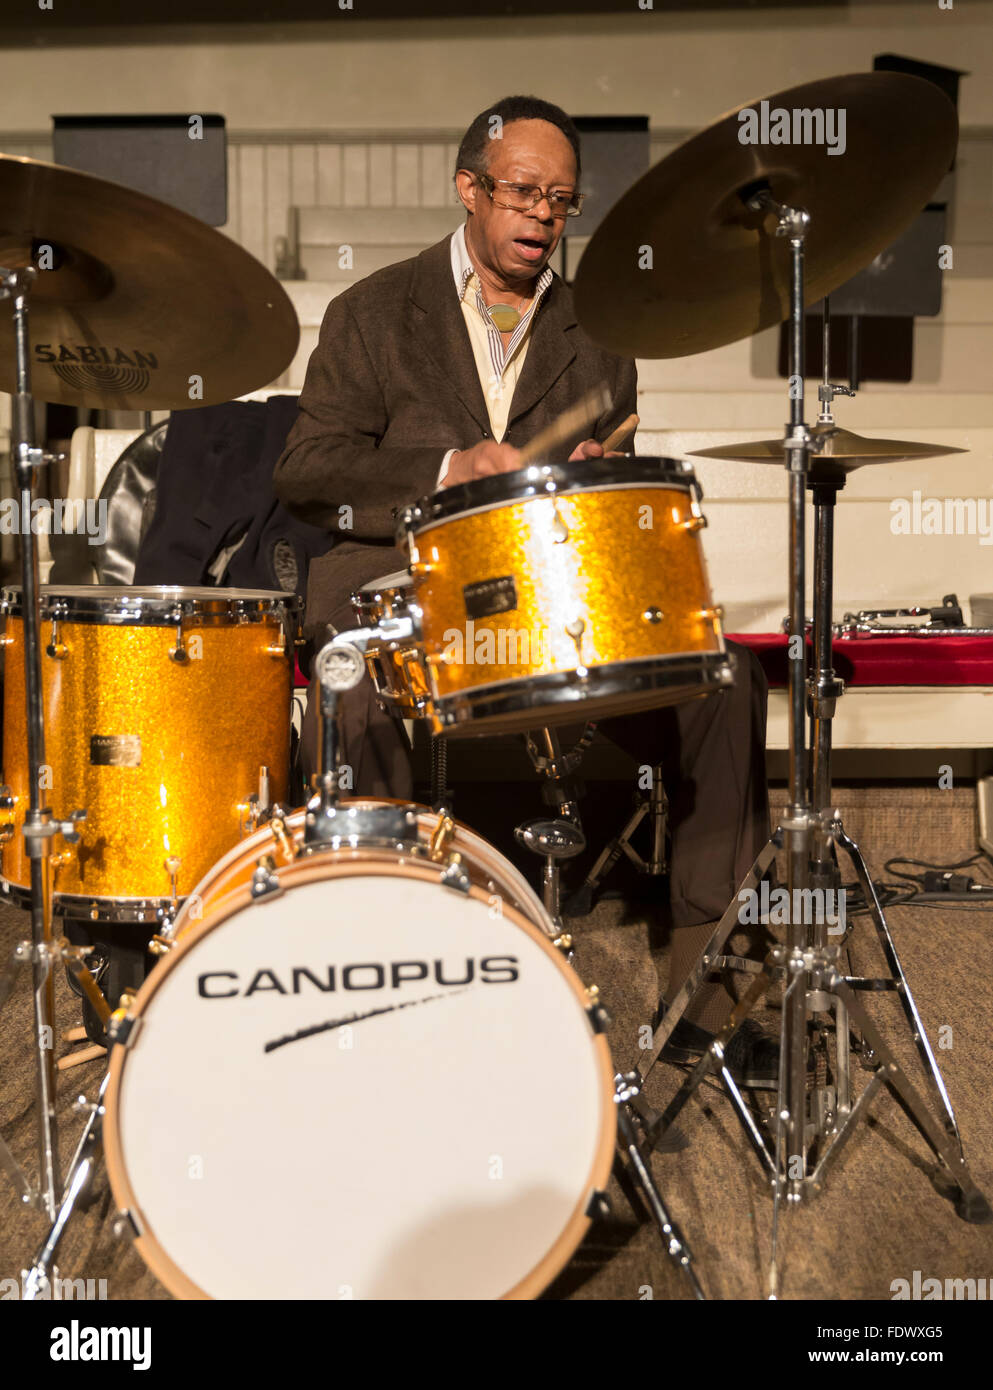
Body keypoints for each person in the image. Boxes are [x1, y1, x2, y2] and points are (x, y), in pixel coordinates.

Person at [274, 95, 775, 1081]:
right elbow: (307, 470)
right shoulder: (373, 311)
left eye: (563, 199)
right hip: (407, 586)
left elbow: (598, 477)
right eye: (523, 192)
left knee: (728, 688)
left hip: (551, 601)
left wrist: (586, 469)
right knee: (357, 689)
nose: (544, 215)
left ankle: (709, 992)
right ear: (469, 189)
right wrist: (447, 467)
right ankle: (379, 979)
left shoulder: (601, 329)